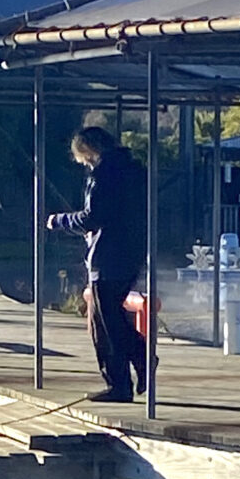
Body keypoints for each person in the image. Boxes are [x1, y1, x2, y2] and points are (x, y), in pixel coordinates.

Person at [48, 126, 147, 402]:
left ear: (90, 149)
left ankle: (125, 378)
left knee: (106, 323)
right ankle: (136, 364)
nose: (84, 164)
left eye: (84, 158)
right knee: (109, 318)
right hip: (131, 252)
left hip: (108, 255)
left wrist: (60, 221)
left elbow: (93, 217)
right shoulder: (133, 169)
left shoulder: (104, 175)